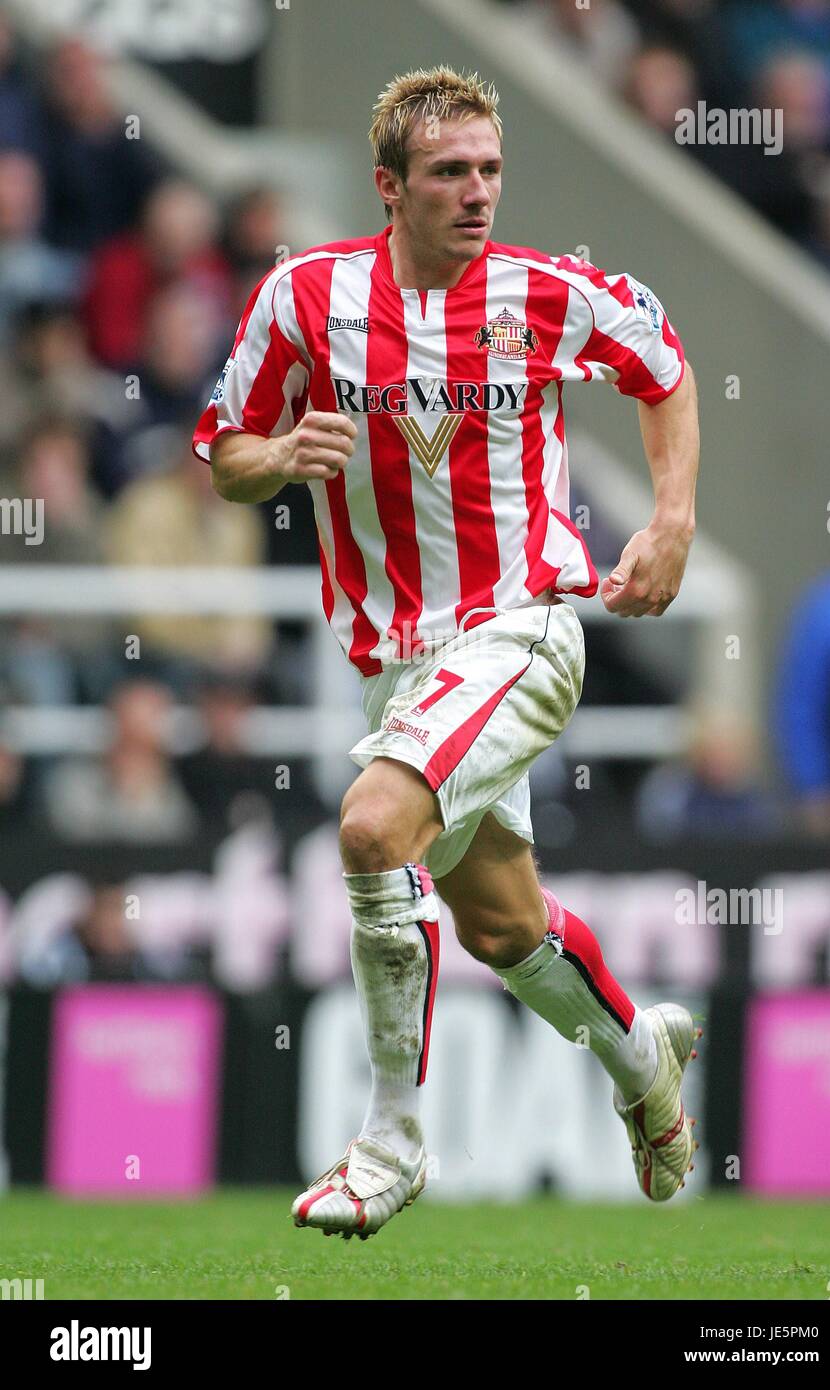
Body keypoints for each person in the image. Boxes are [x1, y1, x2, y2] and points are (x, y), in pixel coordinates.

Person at [193, 67, 701, 1237]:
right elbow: (224, 449)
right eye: (446, 173)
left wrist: (668, 521)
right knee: (502, 927)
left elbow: (660, 360)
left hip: (522, 631)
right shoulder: (304, 300)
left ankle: (390, 1142)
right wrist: (284, 455)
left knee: (372, 827)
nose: (475, 194)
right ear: (387, 186)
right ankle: (644, 1066)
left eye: (488, 170)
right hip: (396, 659)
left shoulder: (541, 293)